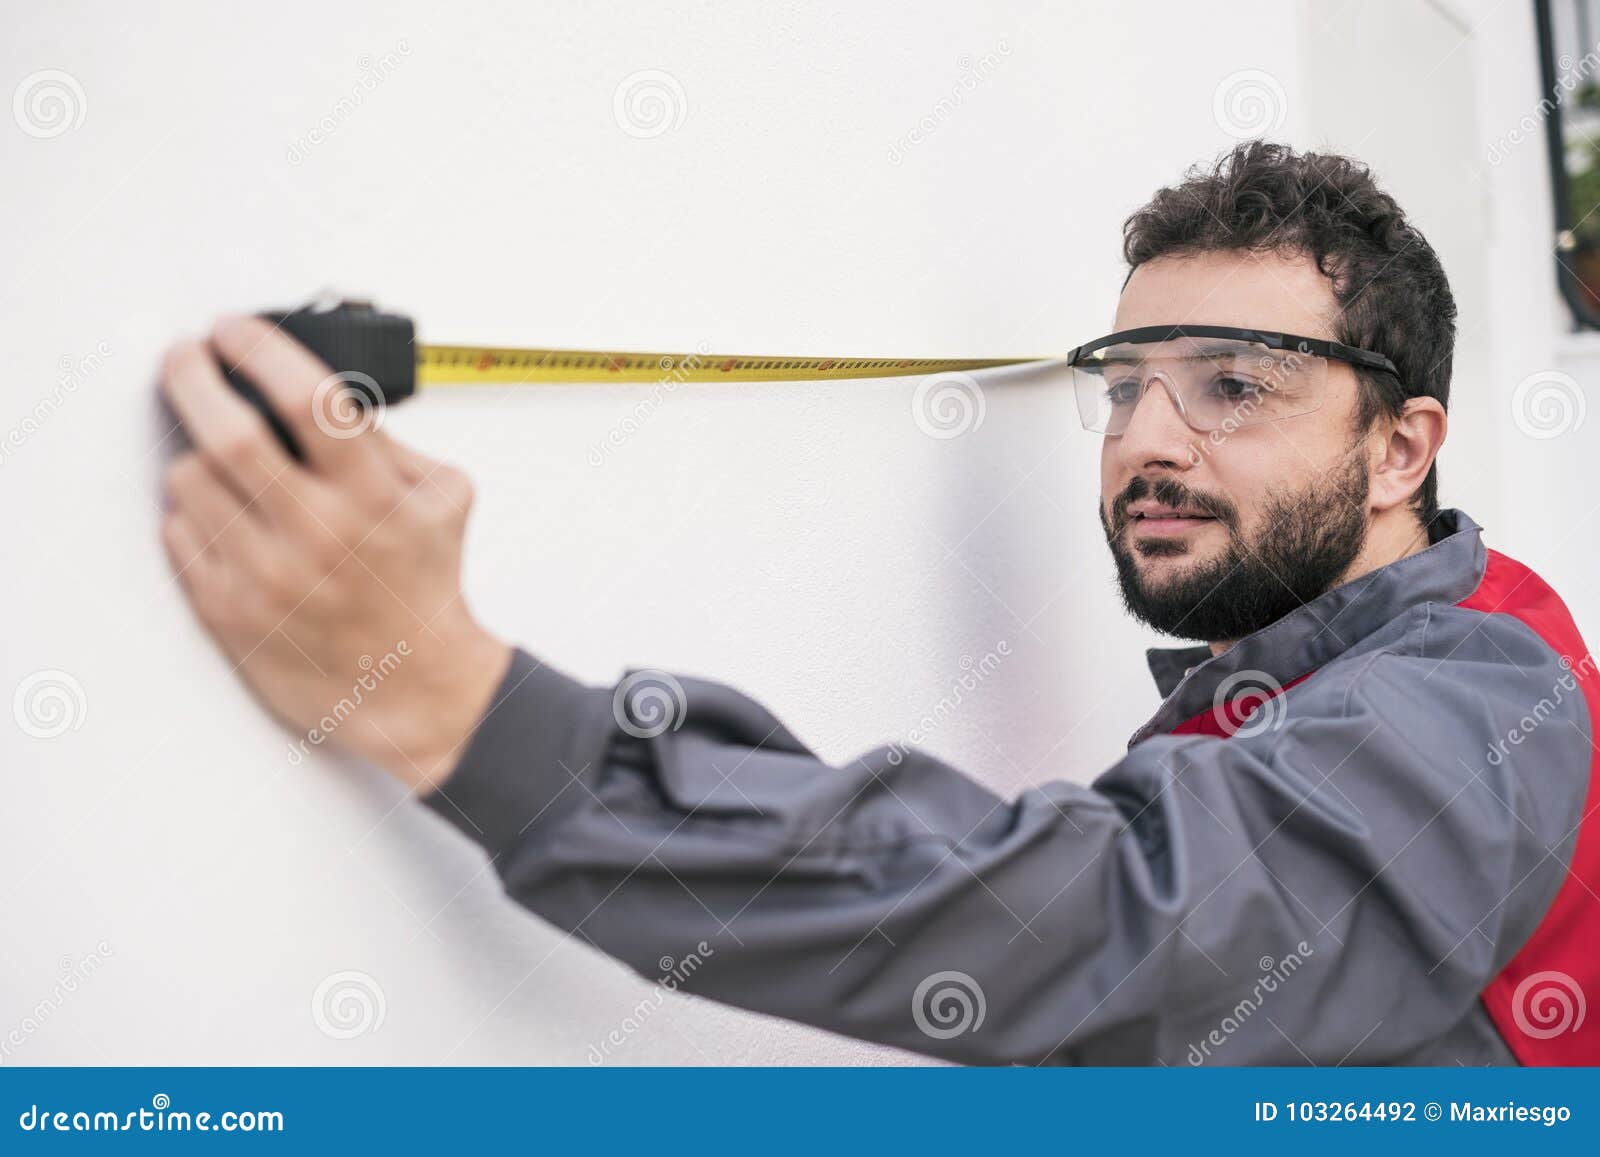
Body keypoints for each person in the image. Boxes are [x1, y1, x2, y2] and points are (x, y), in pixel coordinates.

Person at [157, 142, 1598, 1065]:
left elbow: (1126, 920)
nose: (1148, 438)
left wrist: (472, 712)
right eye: (1121, 387)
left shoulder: (1482, 701)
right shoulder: (1308, 673)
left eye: (1234, 383)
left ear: (1403, 446)